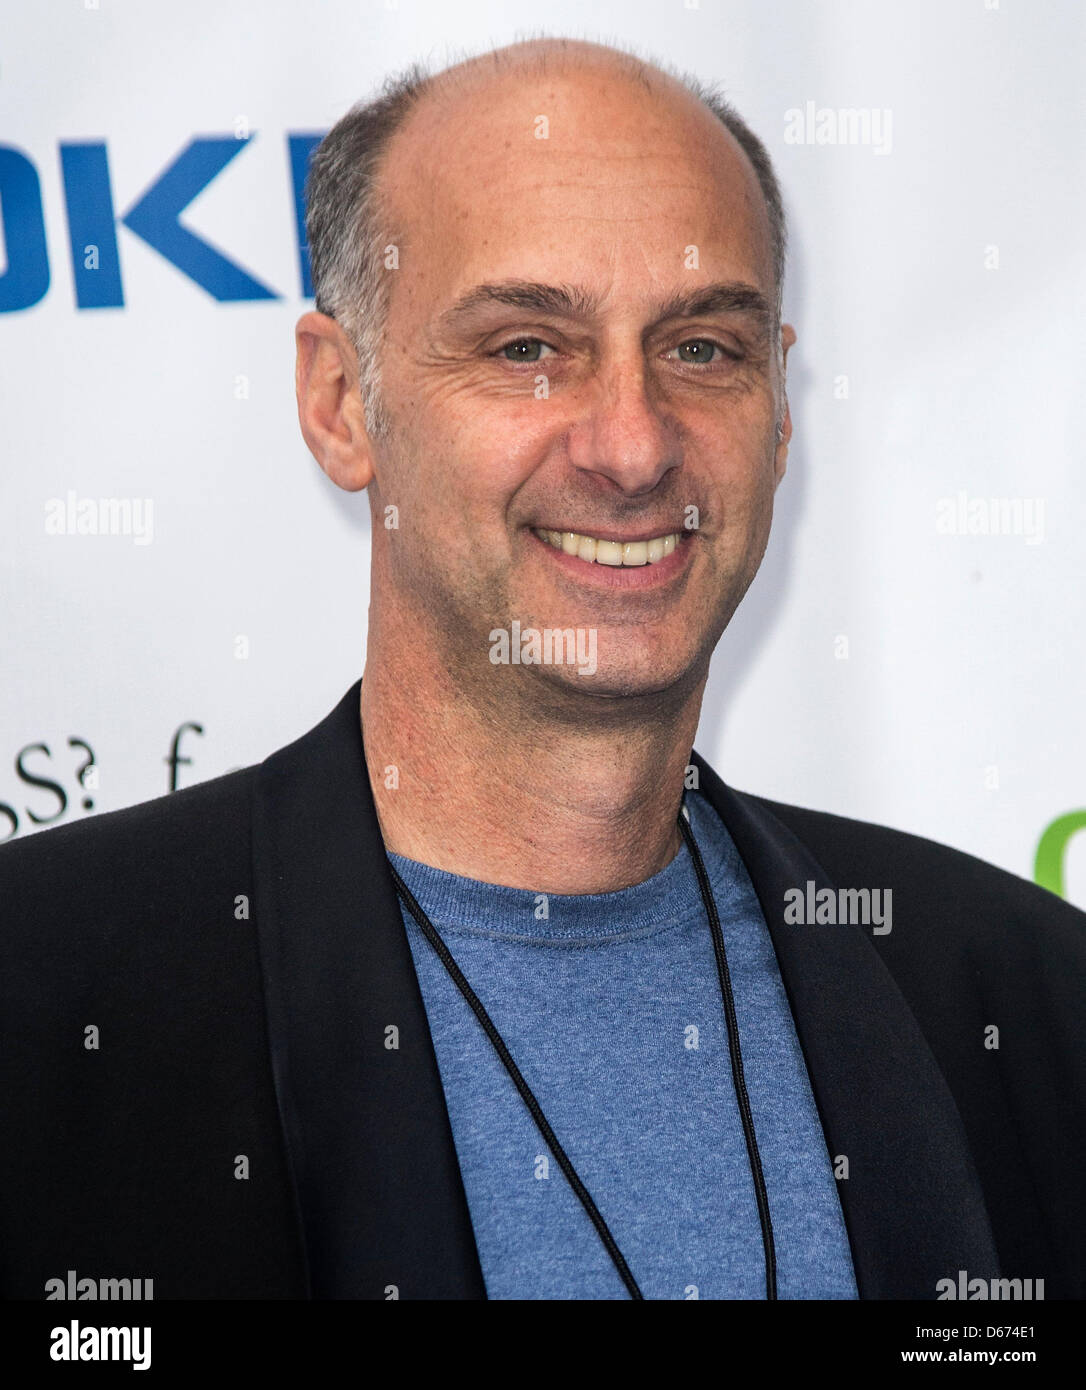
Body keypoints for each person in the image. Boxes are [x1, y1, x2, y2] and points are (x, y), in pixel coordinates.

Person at [2, 37, 1083, 1302]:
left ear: (780, 414)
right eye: (527, 347)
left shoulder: (1026, 1001)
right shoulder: (44, 995)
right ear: (341, 403)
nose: (631, 446)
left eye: (700, 350)